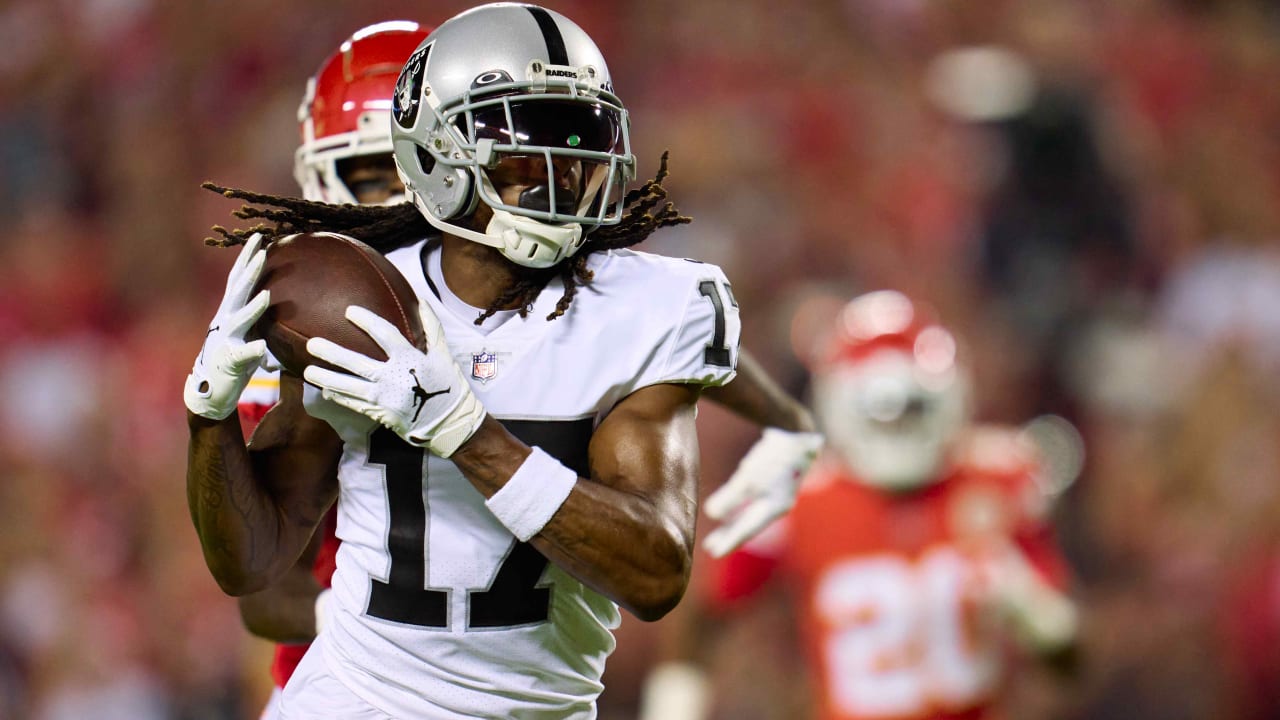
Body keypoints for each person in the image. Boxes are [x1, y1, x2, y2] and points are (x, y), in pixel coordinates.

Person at [185, 5, 816, 718]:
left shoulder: (645, 305)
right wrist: (207, 417)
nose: (565, 172)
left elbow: (655, 573)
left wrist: (464, 433)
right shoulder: (365, 301)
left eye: (582, 141)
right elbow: (251, 569)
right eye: (528, 147)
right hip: (359, 698)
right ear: (435, 156)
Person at [641, 290, 1079, 720]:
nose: (896, 424)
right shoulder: (796, 500)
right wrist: (674, 706)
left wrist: (1038, 614)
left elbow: (1073, 660)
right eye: (881, 411)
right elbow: (706, 608)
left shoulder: (997, 478)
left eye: (911, 408)